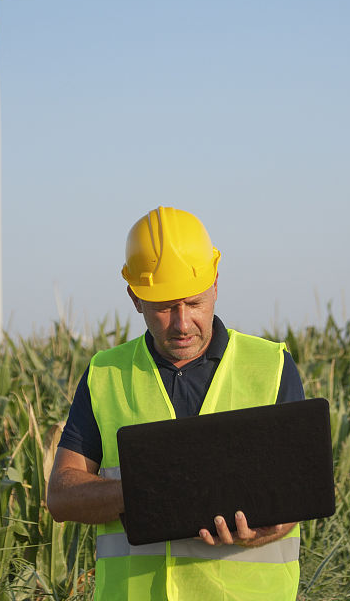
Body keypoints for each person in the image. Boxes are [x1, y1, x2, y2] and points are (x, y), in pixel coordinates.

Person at [46, 206, 305, 600]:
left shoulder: (270, 366)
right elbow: (62, 495)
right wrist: (147, 492)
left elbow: (300, 489)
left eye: (195, 303)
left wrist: (265, 529)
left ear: (215, 283)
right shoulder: (105, 374)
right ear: (135, 298)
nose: (182, 324)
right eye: (165, 308)